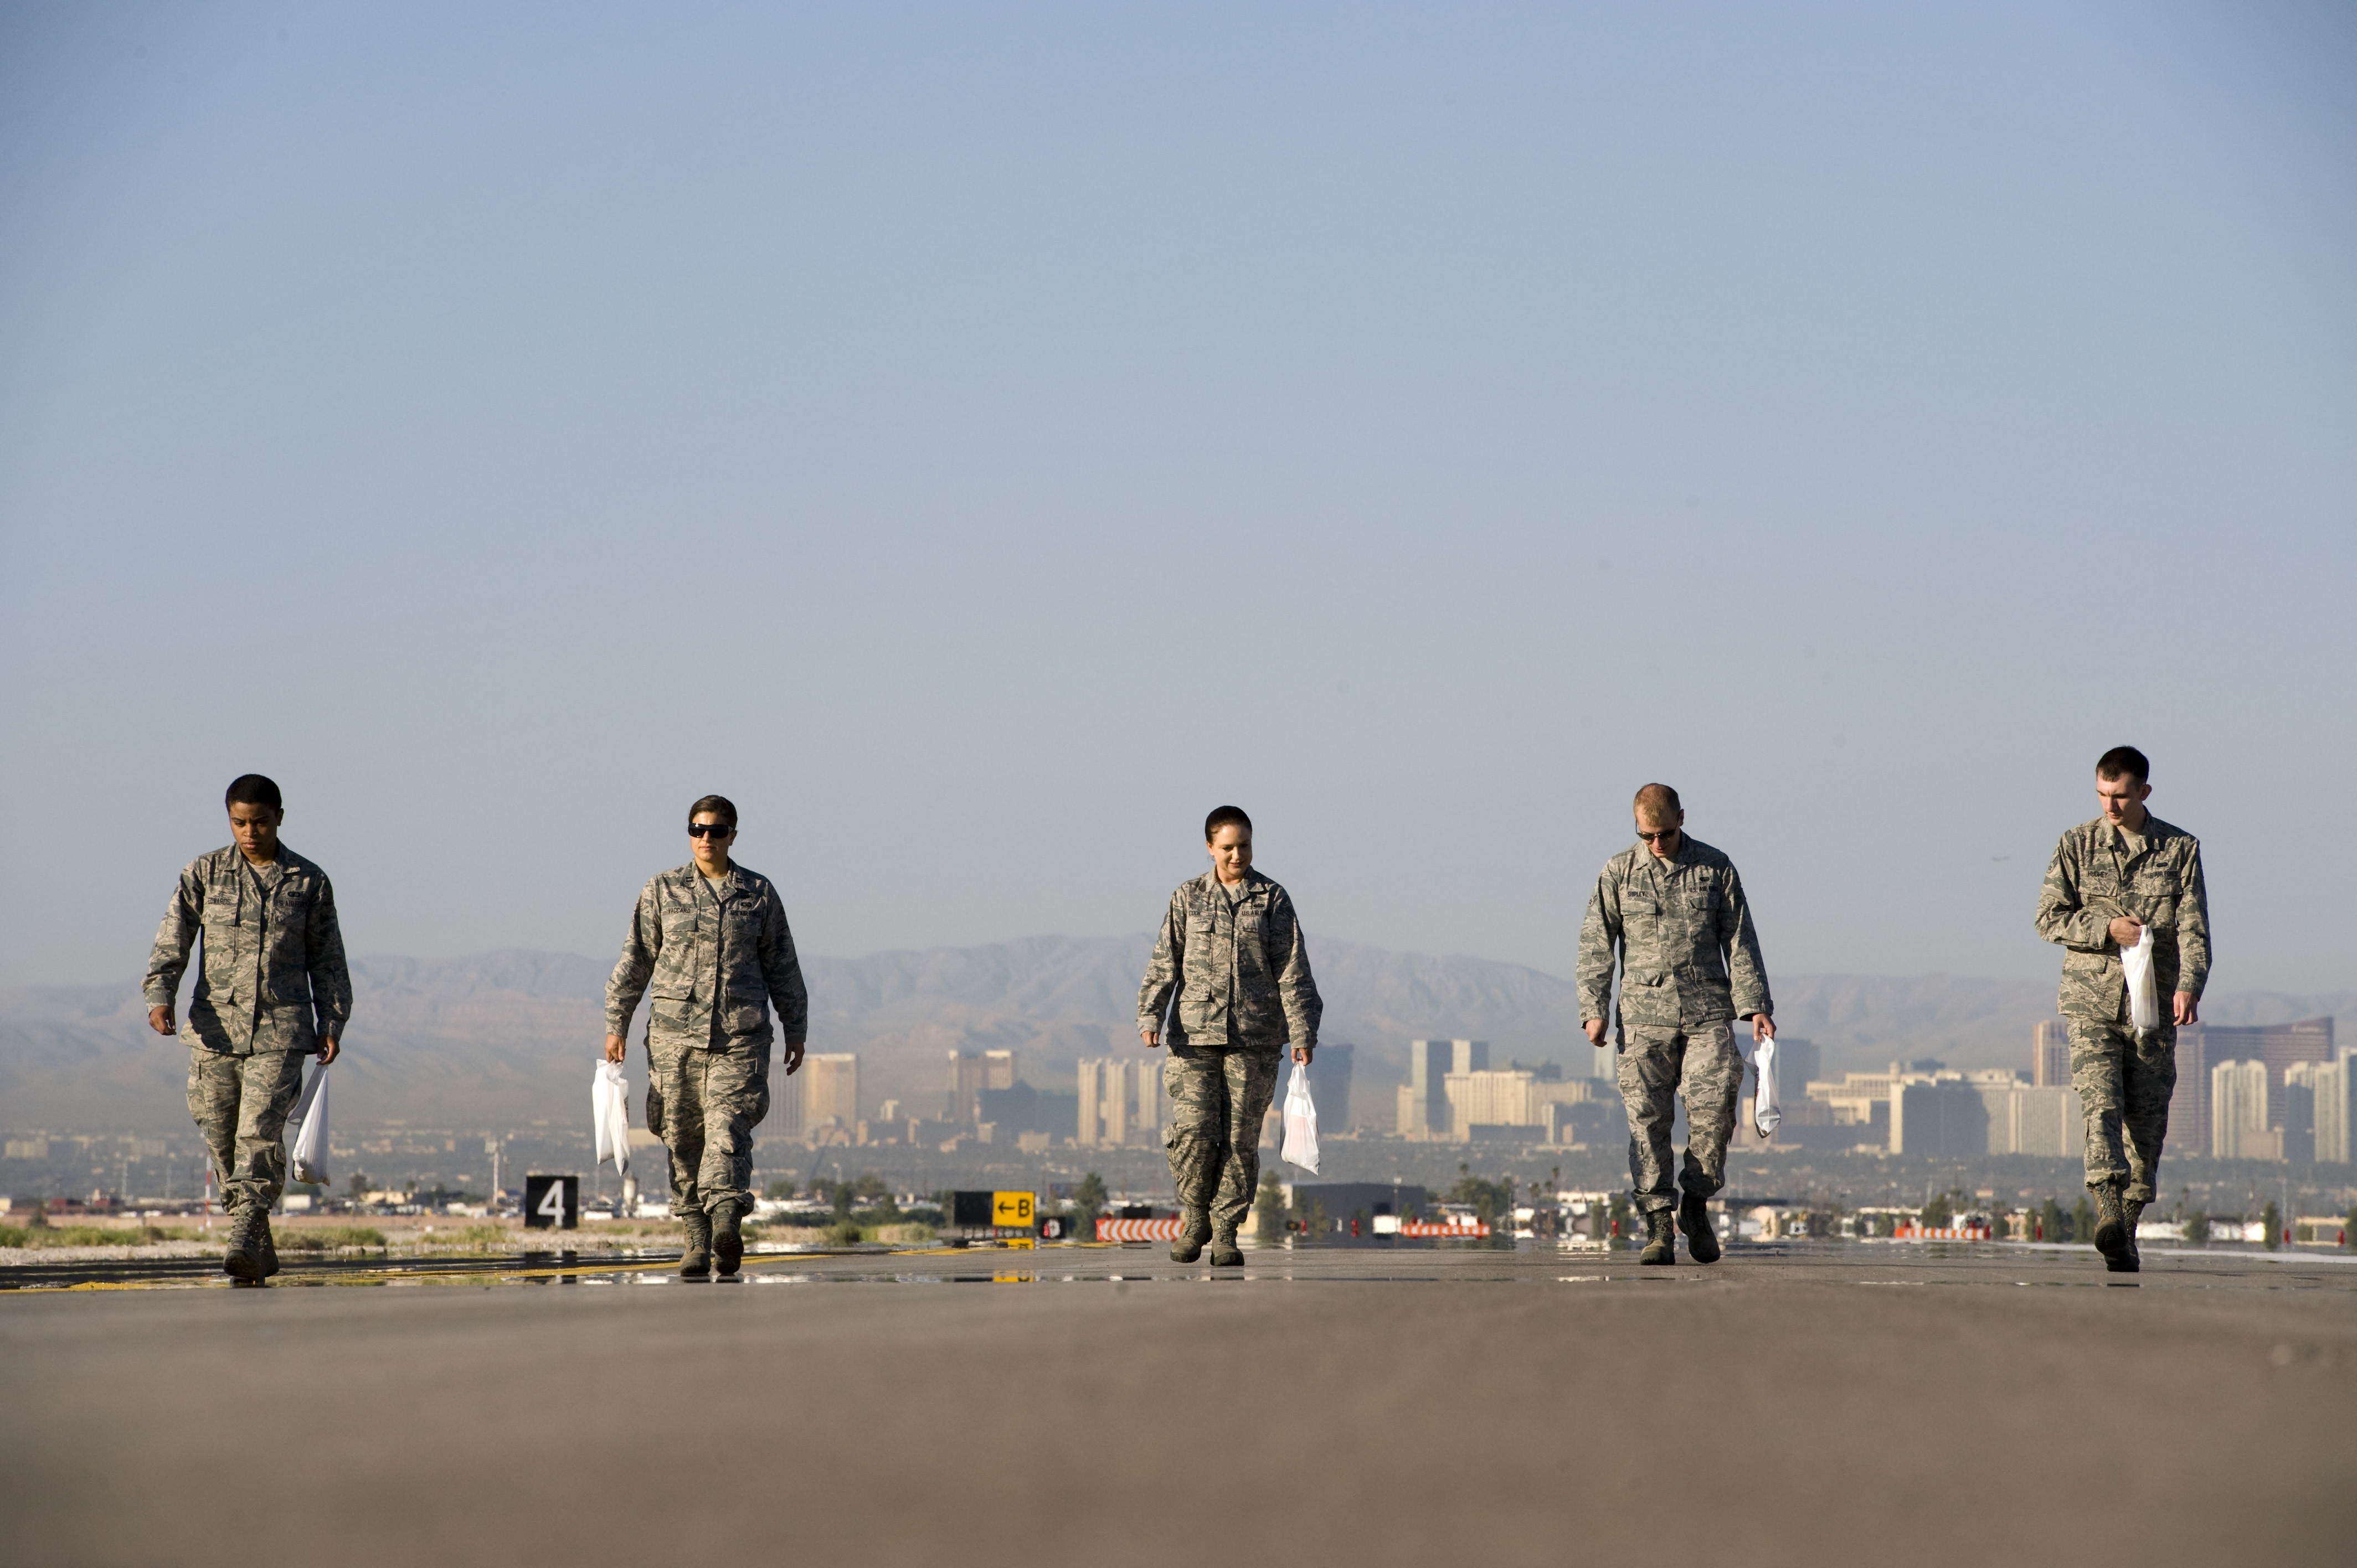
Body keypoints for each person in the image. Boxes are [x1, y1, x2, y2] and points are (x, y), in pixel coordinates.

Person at [143, 775, 351, 1284]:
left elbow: (327, 958)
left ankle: (245, 1231)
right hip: (214, 1028)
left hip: (281, 1028)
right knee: (220, 1135)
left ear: (279, 816)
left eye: (259, 821)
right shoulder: (205, 873)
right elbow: (174, 939)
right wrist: (159, 994)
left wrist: (333, 1019)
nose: (250, 832)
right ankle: (257, 1240)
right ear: (229, 819)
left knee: (258, 1133)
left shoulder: (309, 881)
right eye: (239, 822)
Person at [606, 796, 807, 1277]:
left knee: (728, 1128)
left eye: (716, 831)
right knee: (680, 1136)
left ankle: (725, 1221)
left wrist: (795, 1026)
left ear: (733, 834)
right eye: (697, 829)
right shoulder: (662, 890)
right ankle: (696, 1236)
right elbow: (636, 960)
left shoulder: (757, 894)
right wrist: (618, 1023)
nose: (706, 839)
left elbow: (783, 965)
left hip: (740, 1038)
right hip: (675, 1041)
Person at [1577, 783, 1773, 1266]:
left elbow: (1740, 938)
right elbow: (1596, 942)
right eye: (1647, 836)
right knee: (1648, 1124)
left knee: (1713, 1114)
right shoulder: (1619, 873)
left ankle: (1697, 1204)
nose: (1657, 844)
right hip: (1644, 1020)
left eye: (1664, 833)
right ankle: (1660, 1224)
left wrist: (1755, 1006)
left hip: (1707, 1012)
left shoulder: (1714, 868)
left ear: (1682, 818)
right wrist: (1593, 1008)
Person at [2034, 746, 2209, 1273]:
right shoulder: (2077, 845)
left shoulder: (2179, 848)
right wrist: (2104, 929)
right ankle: (2107, 1206)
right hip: (2091, 1001)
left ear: (2144, 793)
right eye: (2103, 795)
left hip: (2151, 1007)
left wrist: (2190, 985)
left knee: (2147, 1123)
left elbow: (2195, 927)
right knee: (2101, 1105)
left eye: (2122, 796)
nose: (2111, 806)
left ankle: (2125, 1228)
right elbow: (2048, 918)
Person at [1136, 806, 1322, 1266]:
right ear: (1210, 848)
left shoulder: (1272, 899)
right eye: (1228, 847)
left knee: (1240, 1138)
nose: (1237, 855)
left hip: (1255, 1039)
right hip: (1194, 1038)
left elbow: (1291, 969)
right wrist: (1151, 1014)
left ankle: (1225, 1233)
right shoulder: (1188, 897)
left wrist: (1302, 1030)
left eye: (1245, 846)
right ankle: (1195, 1216)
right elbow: (1166, 959)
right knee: (1196, 1133)